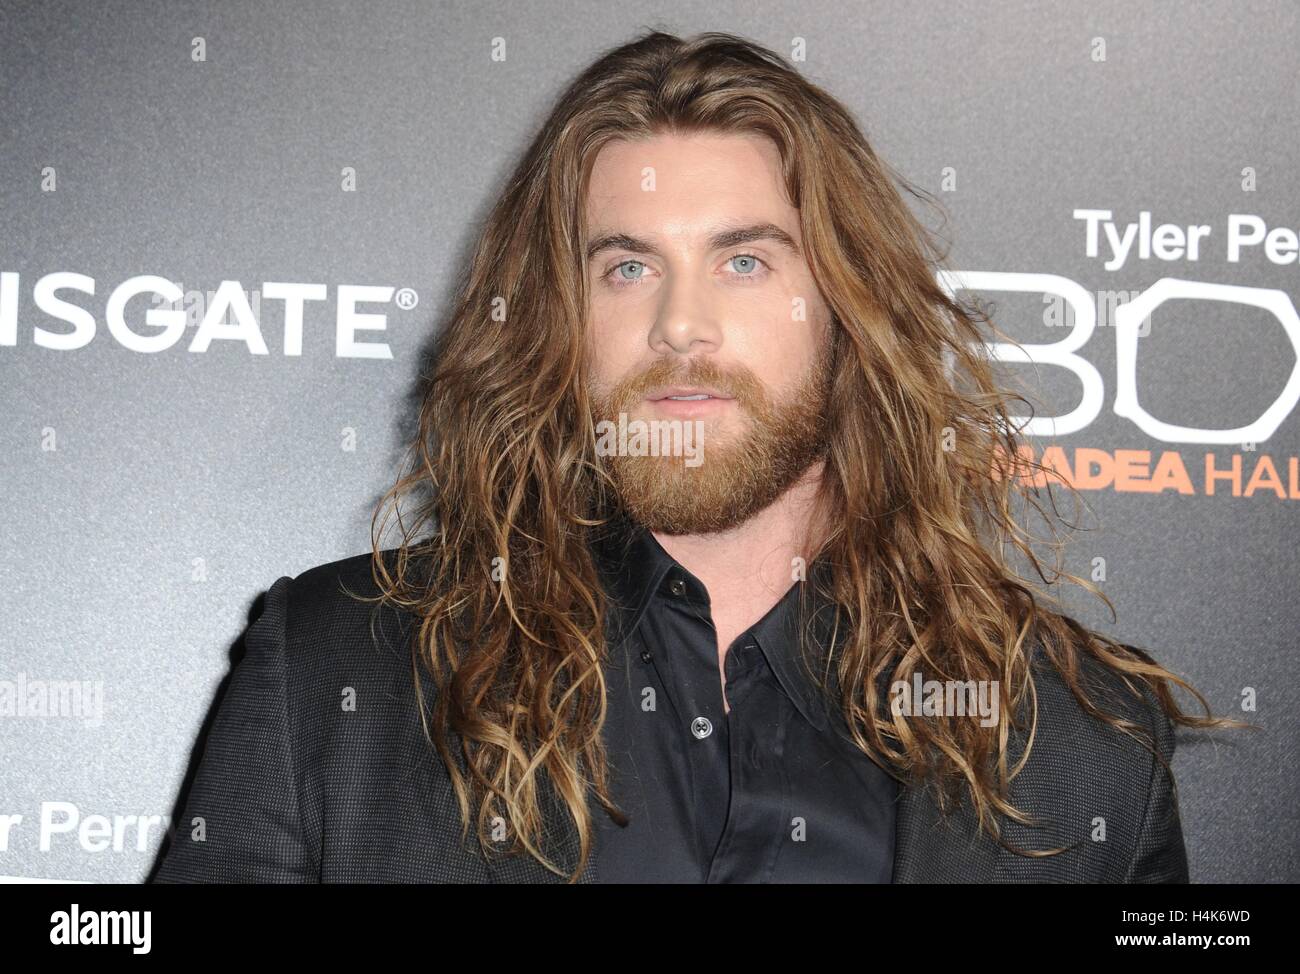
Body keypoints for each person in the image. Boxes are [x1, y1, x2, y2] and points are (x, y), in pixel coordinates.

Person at [153, 30, 1227, 885]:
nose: (681, 325)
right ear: (555, 321)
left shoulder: (1077, 736)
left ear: (847, 309)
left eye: (744, 261)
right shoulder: (339, 669)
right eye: (626, 268)